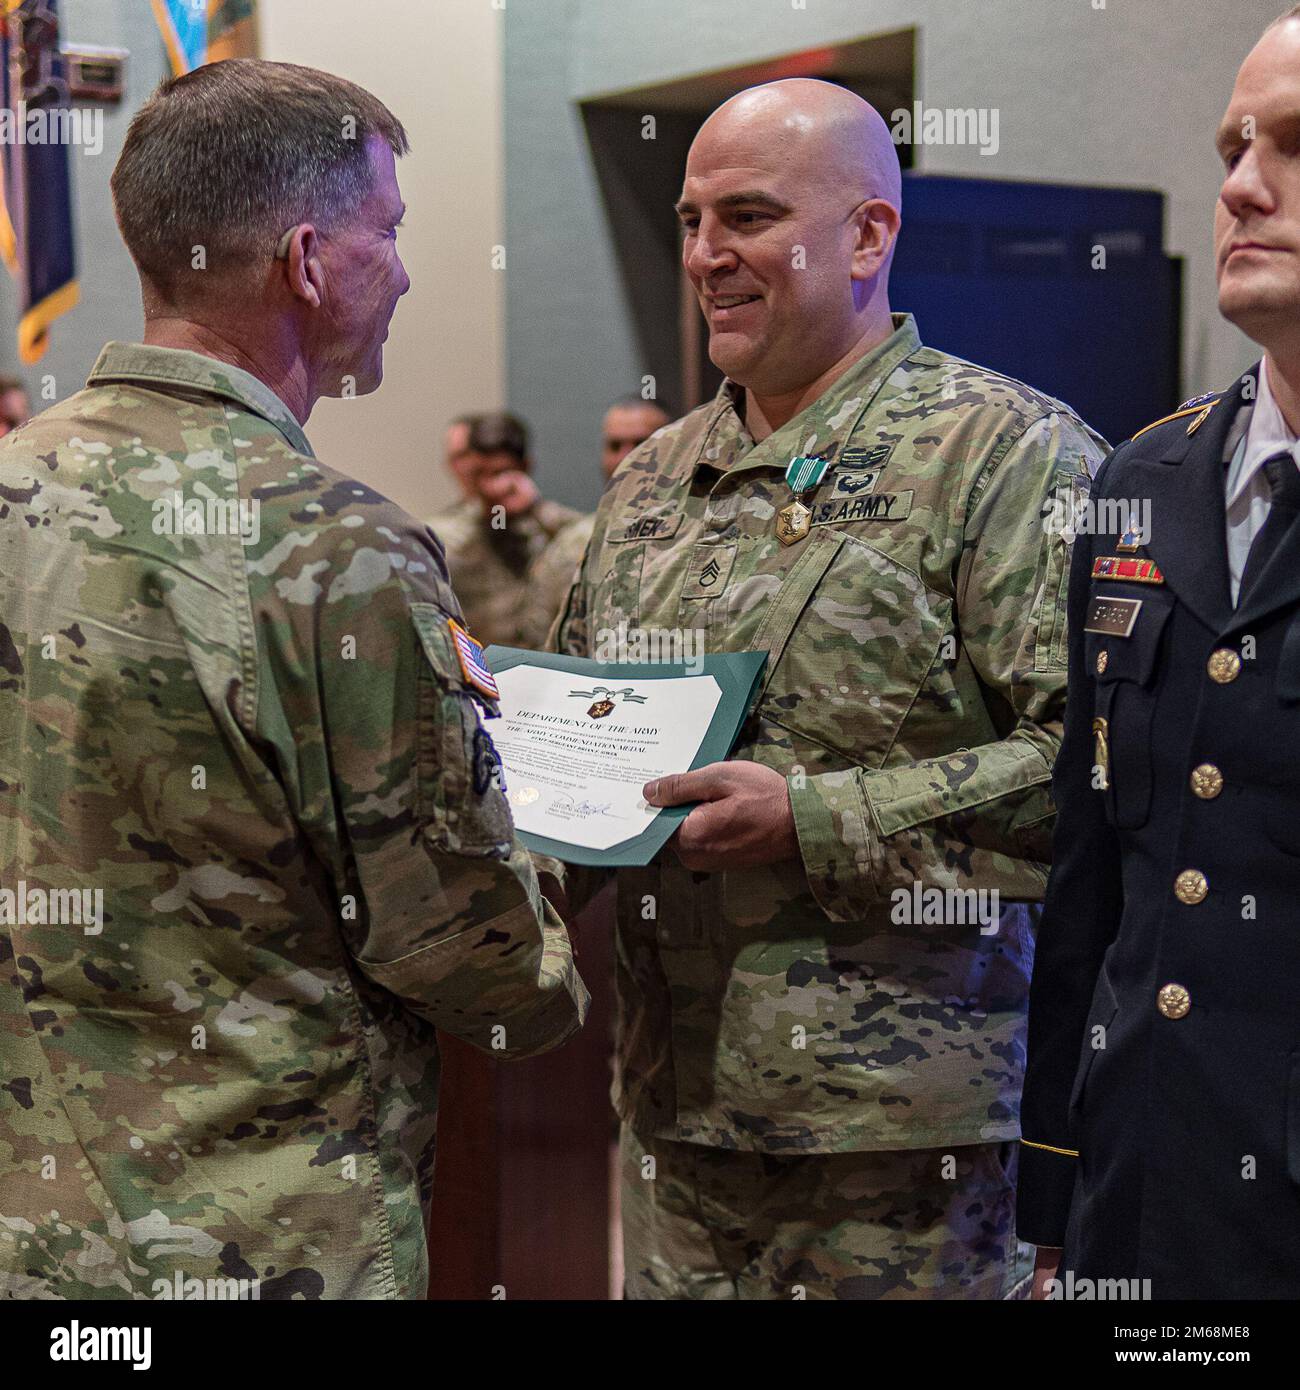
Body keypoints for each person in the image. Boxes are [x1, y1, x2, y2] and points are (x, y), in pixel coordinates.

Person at [0, 58, 586, 1302]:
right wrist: (563, 919)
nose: (407, 270)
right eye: (392, 231)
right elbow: (467, 958)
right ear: (311, 262)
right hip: (262, 1237)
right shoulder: (337, 551)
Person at [551, 77, 1107, 1300]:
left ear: (867, 234)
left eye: (746, 217)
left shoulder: (1008, 453)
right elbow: (584, 745)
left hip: (908, 1150)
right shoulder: (652, 479)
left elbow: (1100, 766)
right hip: (674, 1117)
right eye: (693, 221)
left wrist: (811, 818)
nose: (706, 255)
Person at [1018, 6, 1300, 1300]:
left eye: (1294, 144)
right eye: (1234, 144)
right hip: (1144, 1185)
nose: (1240, 183)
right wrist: (1055, 1179)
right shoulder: (1146, 472)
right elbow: (1095, 870)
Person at [520, 395, 671, 649]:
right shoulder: (573, 543)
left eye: (642, 443)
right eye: (614, 446)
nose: (627, 457)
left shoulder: (700, 531)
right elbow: (540, 638)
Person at [430, 410, 580, 647]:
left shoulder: (558, 528)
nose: (493, 486)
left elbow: (584, 536)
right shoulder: (448, 534)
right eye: (482, 473)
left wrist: (535, 510)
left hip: (544, 667)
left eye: (502, 472)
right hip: (478, 671)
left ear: (525, 467)